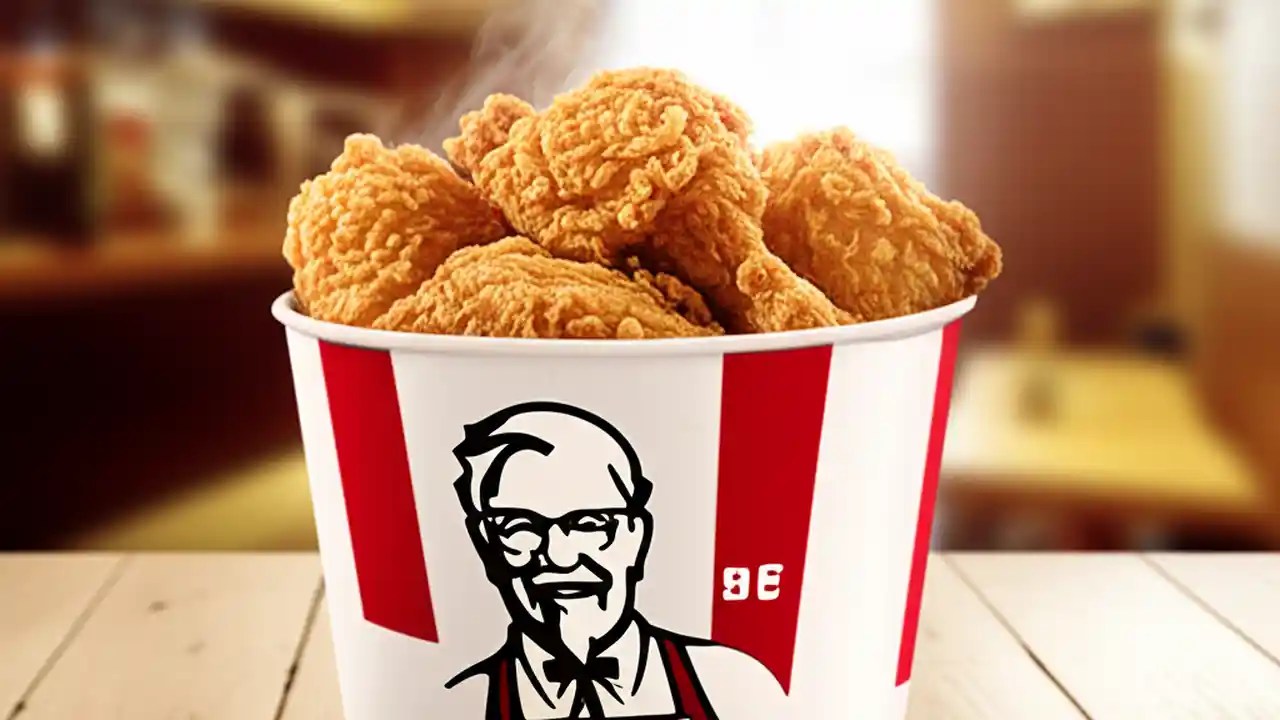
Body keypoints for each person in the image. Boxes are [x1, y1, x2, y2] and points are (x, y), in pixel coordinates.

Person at [446, 401, 781, 719]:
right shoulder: (459, 702)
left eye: (590, 524)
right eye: (520, 527)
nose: (560, 557)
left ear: (636, 536)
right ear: (486, 545)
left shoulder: (731, 684)